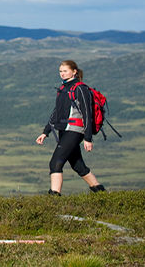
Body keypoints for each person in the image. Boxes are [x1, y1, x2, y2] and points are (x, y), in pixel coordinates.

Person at [35, 60, 106, 195]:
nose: (62, 74)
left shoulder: (80, 88)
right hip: (64, 130)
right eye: (60, 71)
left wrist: (88, 138)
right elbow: (56, 112)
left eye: (65, 71)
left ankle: (53, 201)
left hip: (75, 130)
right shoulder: (63, 88)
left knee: (55, 163)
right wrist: (45, 132)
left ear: (74, 71)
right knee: (78, 166)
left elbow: (87, 114)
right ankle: (101, 193)